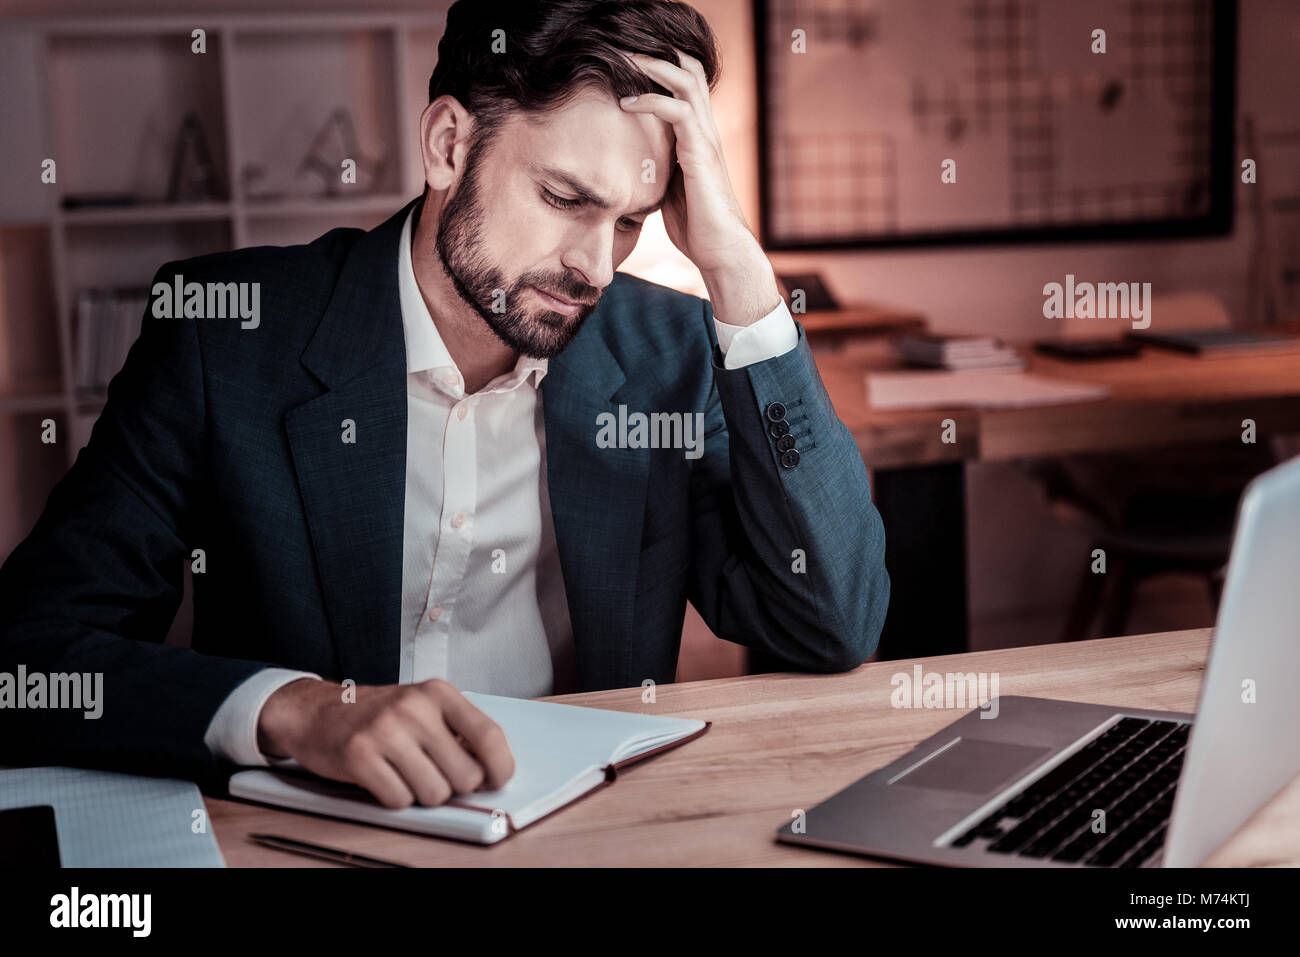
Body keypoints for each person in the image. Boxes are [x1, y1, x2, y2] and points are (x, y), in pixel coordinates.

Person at [0, 0, 888, 808]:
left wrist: (740, 275)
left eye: (631, 219)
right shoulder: (224, 340)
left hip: (589, 840)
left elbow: (828, 622)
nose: (594, 266)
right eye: (562, 197)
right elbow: (30, 655)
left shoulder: (668, 357)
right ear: (448, 146)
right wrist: (296, 712)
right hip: (311, 837)